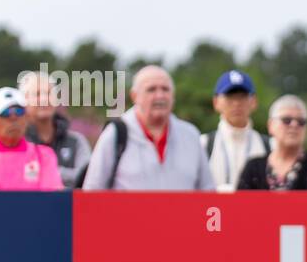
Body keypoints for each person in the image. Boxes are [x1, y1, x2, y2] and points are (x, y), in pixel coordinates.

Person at [81, 65, 214, 191]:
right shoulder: (115, 134)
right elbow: (92, 191)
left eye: (165, 89)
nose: (160, 96)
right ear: (134, 96)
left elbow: (207, 190)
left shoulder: (190, 135)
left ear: (173, 96)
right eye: (151, 89)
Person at [0, 87, 64, 191]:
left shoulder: (44, 155)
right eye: (5, 113)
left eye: (19, 112)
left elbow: (50, 200)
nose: (13, 118)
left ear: (27, 118)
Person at [236, 95, 307, 190]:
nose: (294, 125)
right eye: (286, 120)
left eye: (301, 121)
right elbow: (239, 203)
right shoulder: (253, 168)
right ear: (270, 125)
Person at [21, 72, 91, 188]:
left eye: (49, 94)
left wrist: (44, 172)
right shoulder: (17, 142)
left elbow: (87, 178)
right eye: (37, 94)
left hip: (69, 205)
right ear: (24, 100)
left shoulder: (76, 141)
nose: (44, 99)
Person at [202, 69, 269, 192]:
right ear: (216, 102)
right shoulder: (202, 144)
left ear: (254, 101)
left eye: (242, 97)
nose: (236, 103)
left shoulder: (269, 146)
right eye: (229, 97)